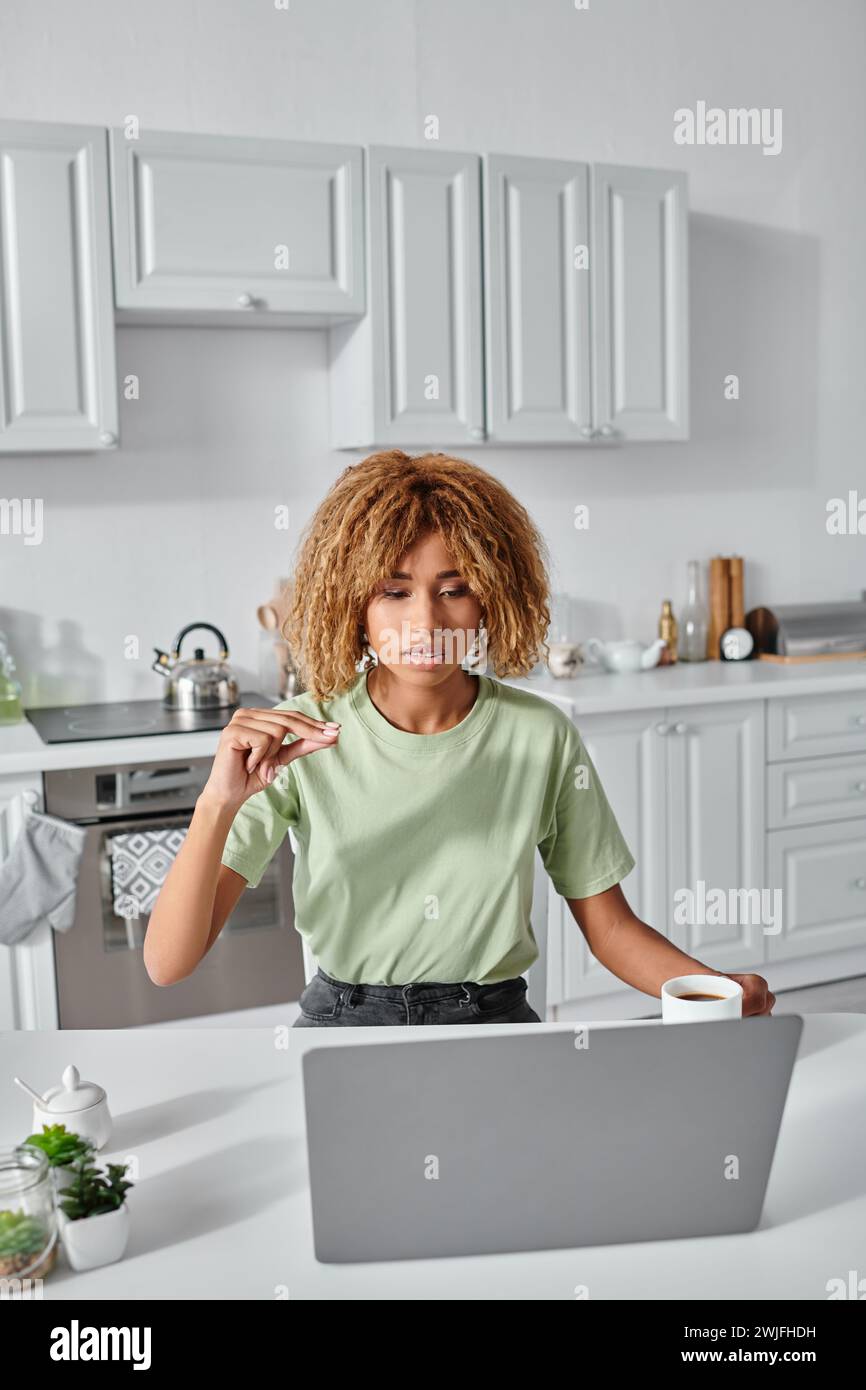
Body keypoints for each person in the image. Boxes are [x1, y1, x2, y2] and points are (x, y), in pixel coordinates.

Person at [144, 450, 775, 1027]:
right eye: (393, 592)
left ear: (492, 597)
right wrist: (216, 802)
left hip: (494, 1021)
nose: (424, 621)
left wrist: (715, 988)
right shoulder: (299, 740)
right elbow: (168, 964)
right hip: (343, 1021)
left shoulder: (539, 734)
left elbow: (609, 930)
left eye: (454, 590)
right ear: (352, 604)